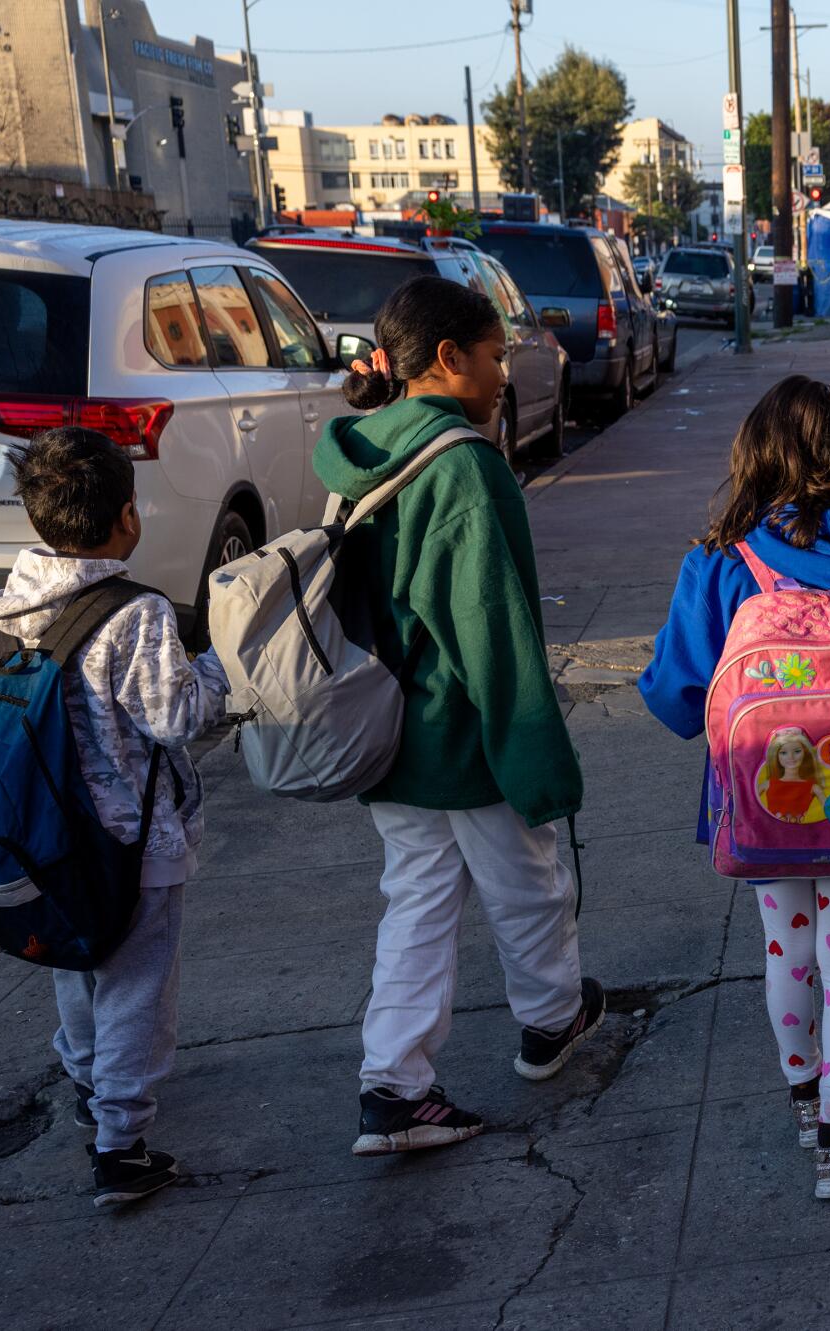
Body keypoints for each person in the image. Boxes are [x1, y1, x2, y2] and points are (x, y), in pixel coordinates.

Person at [639, 374, 830, 1200]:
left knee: (788, 946)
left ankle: (808, 1103)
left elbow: (675, 694)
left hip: (761, 800)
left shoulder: (718, 558)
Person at [315, 275, 601, 1156]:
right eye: (493, 354)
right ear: (448, 359)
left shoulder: (364, 447)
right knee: (527, 880)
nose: (504, 372)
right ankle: (552, 1018)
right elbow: (494, 630)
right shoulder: (464, 468)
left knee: (417, 903)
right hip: (463, 728)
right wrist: (539, 757)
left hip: (385, 732)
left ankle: (393, 1083)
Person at [0, 427, 230, 1206]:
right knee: (137, 988)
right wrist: (220, 664)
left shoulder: (9, 601)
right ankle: (122, 1144)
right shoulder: (136, 611)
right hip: (129, 841)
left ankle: (88, 1083)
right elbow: (176, 716)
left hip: (42, 837)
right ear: (128, 516)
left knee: (79, 967)